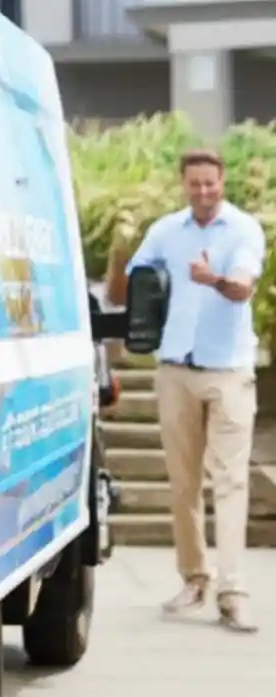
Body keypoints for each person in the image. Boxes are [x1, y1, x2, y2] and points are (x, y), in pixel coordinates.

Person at [125, 148, 263, 634]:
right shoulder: (167, 231)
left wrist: (215, 279)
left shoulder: (244, 230)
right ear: (185, 184)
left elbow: (244, 287)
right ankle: (194, 578)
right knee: (183, 484)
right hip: (175, 371)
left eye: (211, 183)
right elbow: (135, 276)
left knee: (230, 483)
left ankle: (233, 592)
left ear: (222, 182)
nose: (203, 192)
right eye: (195, 184)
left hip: (228, 373)